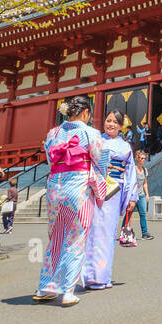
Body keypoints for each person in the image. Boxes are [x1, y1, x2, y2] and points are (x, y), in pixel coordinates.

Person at [34, 96, 108, 306]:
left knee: (56, 238)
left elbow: (50, 159)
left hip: (54, 189)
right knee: (76, 239)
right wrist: (102, 180)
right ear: (85, 113)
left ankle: (46, 286)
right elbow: (100, 160)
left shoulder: (53, 133)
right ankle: (67, 290)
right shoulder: (90, 132)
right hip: (79, 189)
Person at [83, 111, 135, 289]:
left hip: (115, 189)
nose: (110, 124)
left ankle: (103, 276)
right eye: (108, 120)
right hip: (96, 186)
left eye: (115, 122)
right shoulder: (96, 140)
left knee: (107, 232)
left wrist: (132, 196)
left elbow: (130, 172)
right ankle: (89, 276)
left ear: (121, 126)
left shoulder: (126, 147)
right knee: (92, 231)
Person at [130, 149, 154, 239]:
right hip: (133, 194)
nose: (143, 160)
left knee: (143, 213)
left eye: (144, 158)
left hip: (142, 194)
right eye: (141, 158)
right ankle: (125, 231)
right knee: (129, 213)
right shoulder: (133, 169)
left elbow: (145, 183)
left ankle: (145, 233)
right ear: (137, 158)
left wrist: (147, 194)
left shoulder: (144, 169)